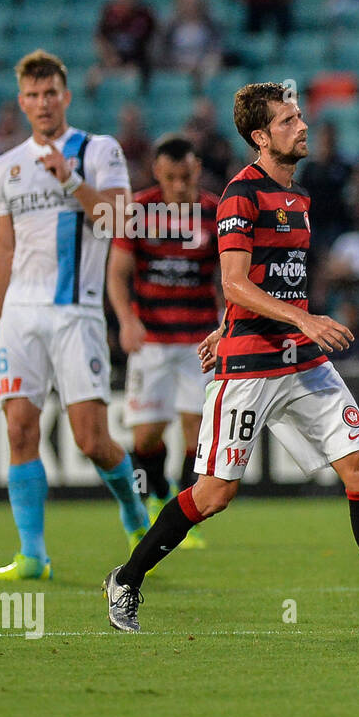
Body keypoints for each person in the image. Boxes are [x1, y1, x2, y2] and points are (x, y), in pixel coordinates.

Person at [102, 83, 359, 634]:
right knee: (215, 493)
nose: (302, 126)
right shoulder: (241, 195)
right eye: (288, 121)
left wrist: (225, 326)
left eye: (300, 117)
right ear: (261, 137)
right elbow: (234, 282)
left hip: (302, 361)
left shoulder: (300, 199)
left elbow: (263, 282)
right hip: (252, 367)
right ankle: (127, 578)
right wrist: (296, 320)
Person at [0, 49, 150, 580]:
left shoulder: (98, 149)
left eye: (50, 92)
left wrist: (70, 180)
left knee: (91, 441)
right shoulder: (5, 166)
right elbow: (3, 249)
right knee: (19, 431)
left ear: (66, 95)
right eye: (31, 95)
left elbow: (121, 218)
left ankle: (132, 509)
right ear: (21, 101)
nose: (41, 103)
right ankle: (33, 555)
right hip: (19, 315)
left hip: (76, 313)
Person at [107, 135, 221, 549]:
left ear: (198, 169)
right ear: (157, 172)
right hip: (151, 341)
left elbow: (228, 277)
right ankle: (157, 495)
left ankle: (180, 517)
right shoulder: (137, 210)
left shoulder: (215, 211)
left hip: (199, 342)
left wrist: (227, 324)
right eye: (171, 177)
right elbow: (117, 272)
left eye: (186, 177)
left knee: (196, 432)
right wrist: (126, 319)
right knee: (146, 438)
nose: (178, 186)